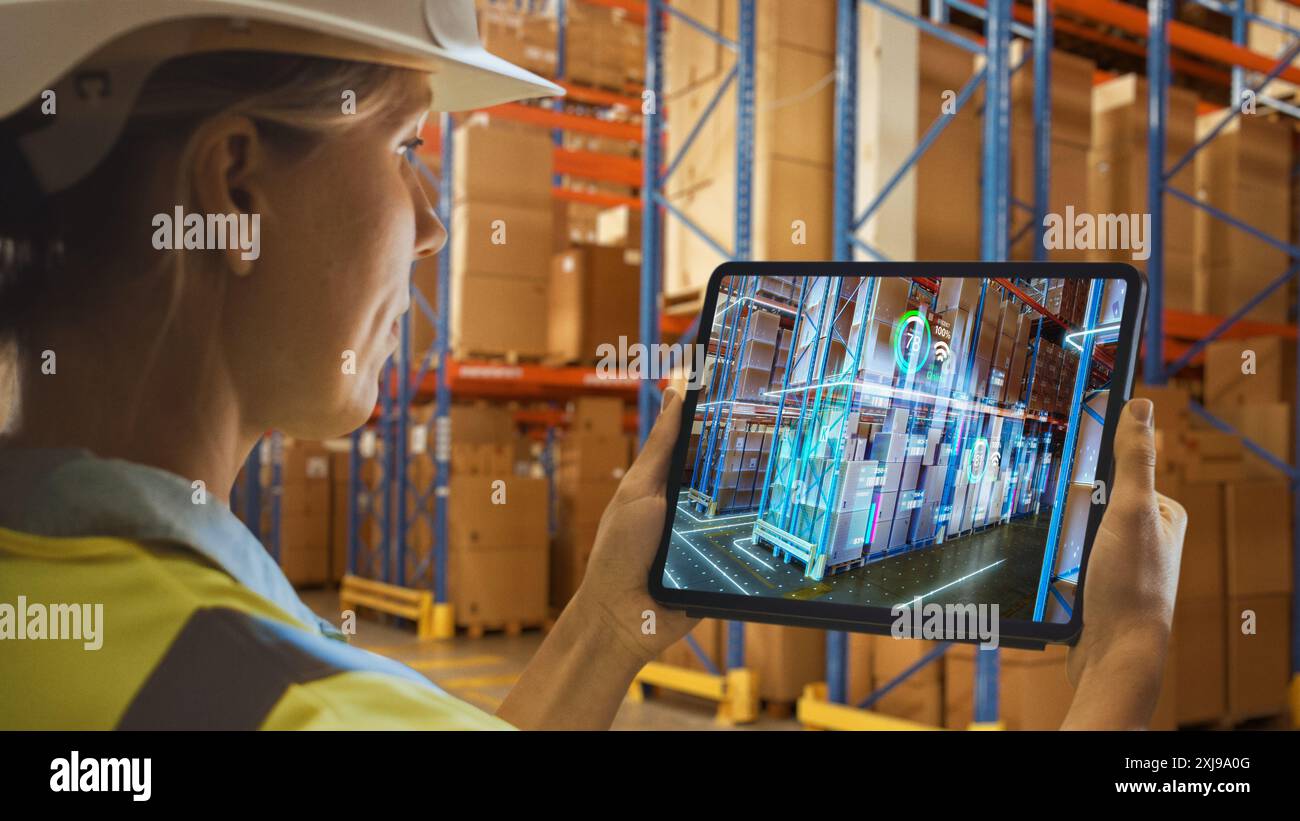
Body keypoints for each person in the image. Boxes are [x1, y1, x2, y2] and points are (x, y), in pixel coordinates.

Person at [0, 0, 1186, 730]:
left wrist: (611, 618)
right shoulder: (289, 702)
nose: (433, 220)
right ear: (234, 184)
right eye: (406, 143)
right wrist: (1125, 655)